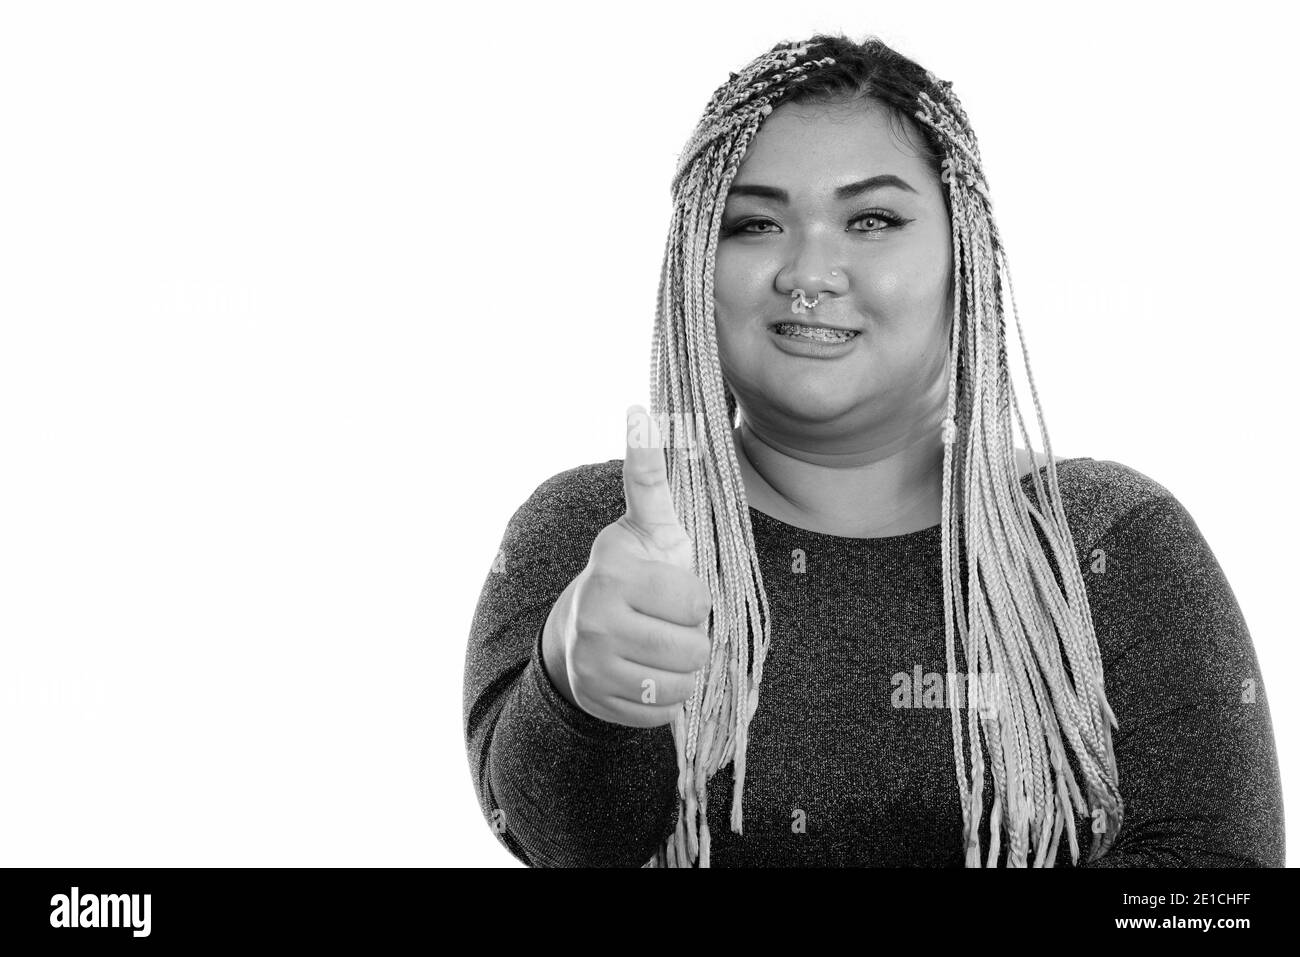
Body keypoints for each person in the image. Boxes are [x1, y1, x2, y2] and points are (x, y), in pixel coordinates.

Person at [462, 33, 1285, 867]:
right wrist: (580, 687)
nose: (809, 271)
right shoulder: (591, 540)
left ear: (966, 259)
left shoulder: (1105, 547)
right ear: (693, 271)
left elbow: (1214, 896)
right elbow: (564, 843)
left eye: (873, 219)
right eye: (754, 222)